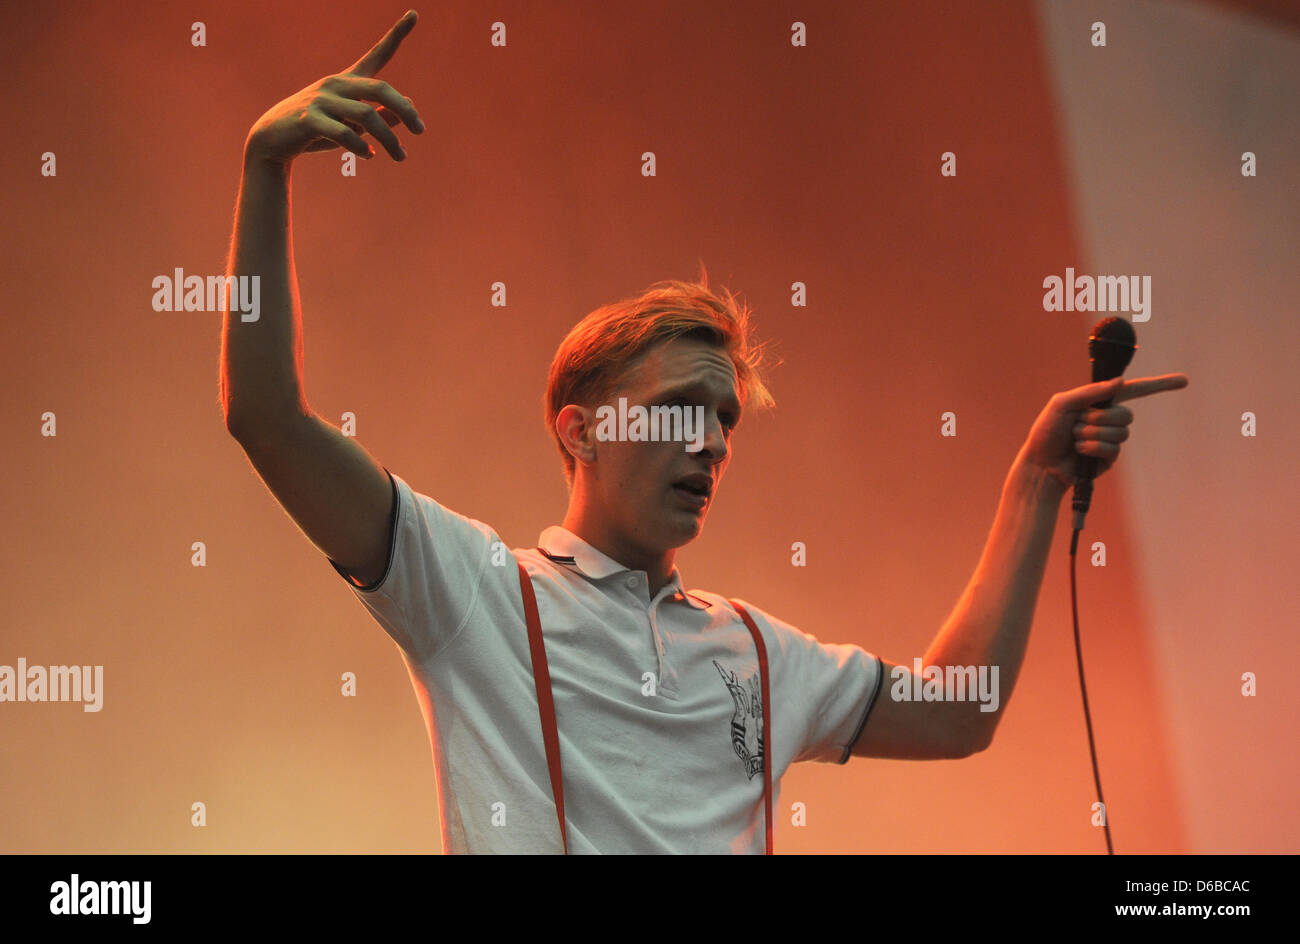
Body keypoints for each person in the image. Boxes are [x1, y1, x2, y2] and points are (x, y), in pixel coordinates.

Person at [221, 10, 1189, 854]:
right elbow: (266, 417)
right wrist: (266, 166)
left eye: (726, 419)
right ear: (582, 428)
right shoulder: (475, 591)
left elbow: (960, 710)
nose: (713, 440)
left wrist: (1032, 480)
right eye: (683, 406)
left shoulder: (757, 652)